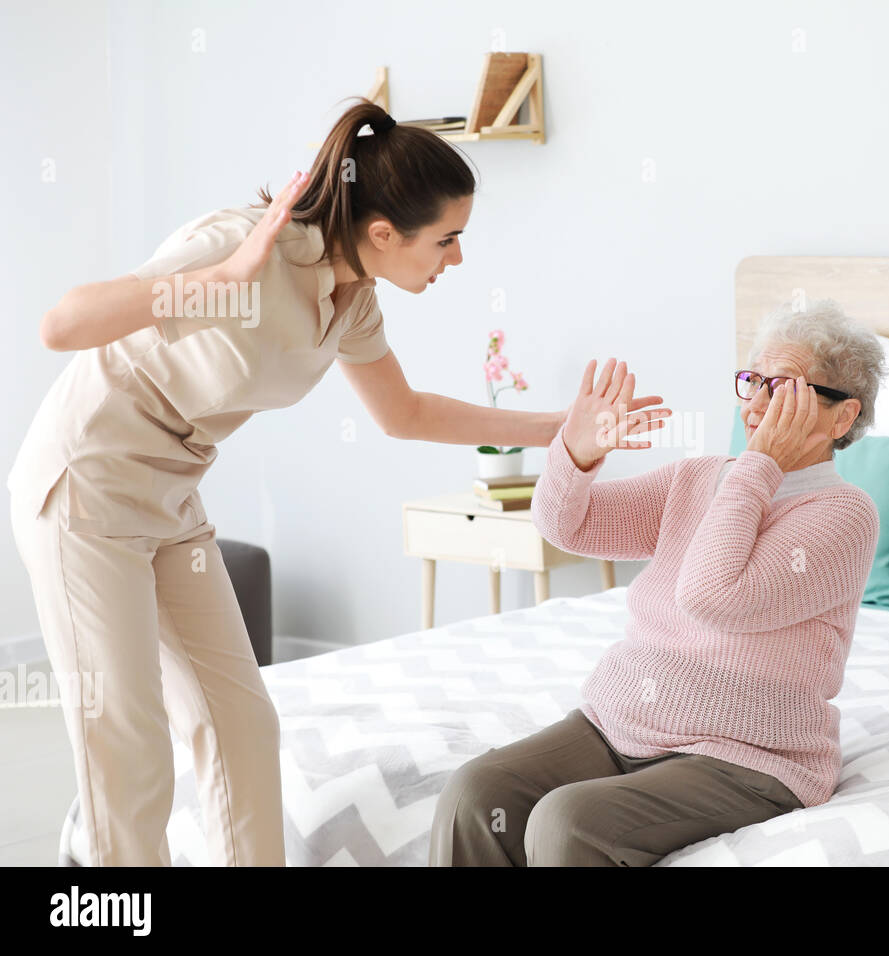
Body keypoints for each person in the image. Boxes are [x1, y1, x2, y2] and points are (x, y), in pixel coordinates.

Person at [6, 97, 670, 866]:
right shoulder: (241, 246)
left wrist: (563, 427)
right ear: (384, 233)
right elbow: (62, 324)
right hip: (85, 489)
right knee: (129, 741)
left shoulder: (352, 301)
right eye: (448, 240)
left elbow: (406, 412)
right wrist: (217, 279)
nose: (456, 260)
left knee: (242, 724)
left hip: (171, 497)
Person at [429, 299, 886, 866]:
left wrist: (760, 464)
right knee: (473, 793)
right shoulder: (697, 478)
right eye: (753, 382)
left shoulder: (845, 514)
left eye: (785, 388)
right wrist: (576, 452)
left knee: (568, 822)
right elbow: (567, 525)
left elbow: (712, 596)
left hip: (746, 757)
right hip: (622, 724)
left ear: (841, 418)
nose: (759, 404)